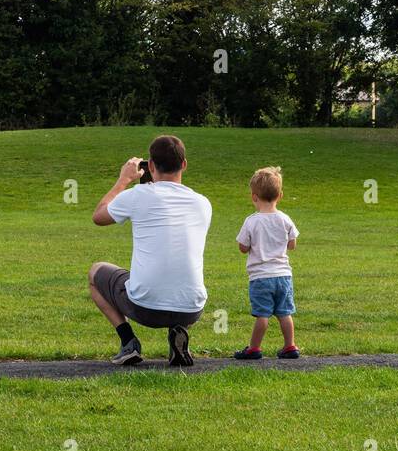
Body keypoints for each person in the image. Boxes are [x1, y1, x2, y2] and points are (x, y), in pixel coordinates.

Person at [89, 134, 212, 367]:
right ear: (184, 164)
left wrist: (123, 180)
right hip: (191, 308)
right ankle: (177, 332)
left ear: (151, 166)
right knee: (178, 266)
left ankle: (129, 342)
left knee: (95, 272)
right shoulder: (202, 203)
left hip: (146, 308)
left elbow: (99, 216)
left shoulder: (137, 195)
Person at [233, 165, 300, 360]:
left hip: (261, 277)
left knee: (262, 315)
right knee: (285, 313)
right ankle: (290, 346)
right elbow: (292, 244)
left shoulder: (252, 221)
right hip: (284, 276)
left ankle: (254, 348)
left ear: (254, 197)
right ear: (280, 195)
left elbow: (243, 247)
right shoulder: (285, 219)